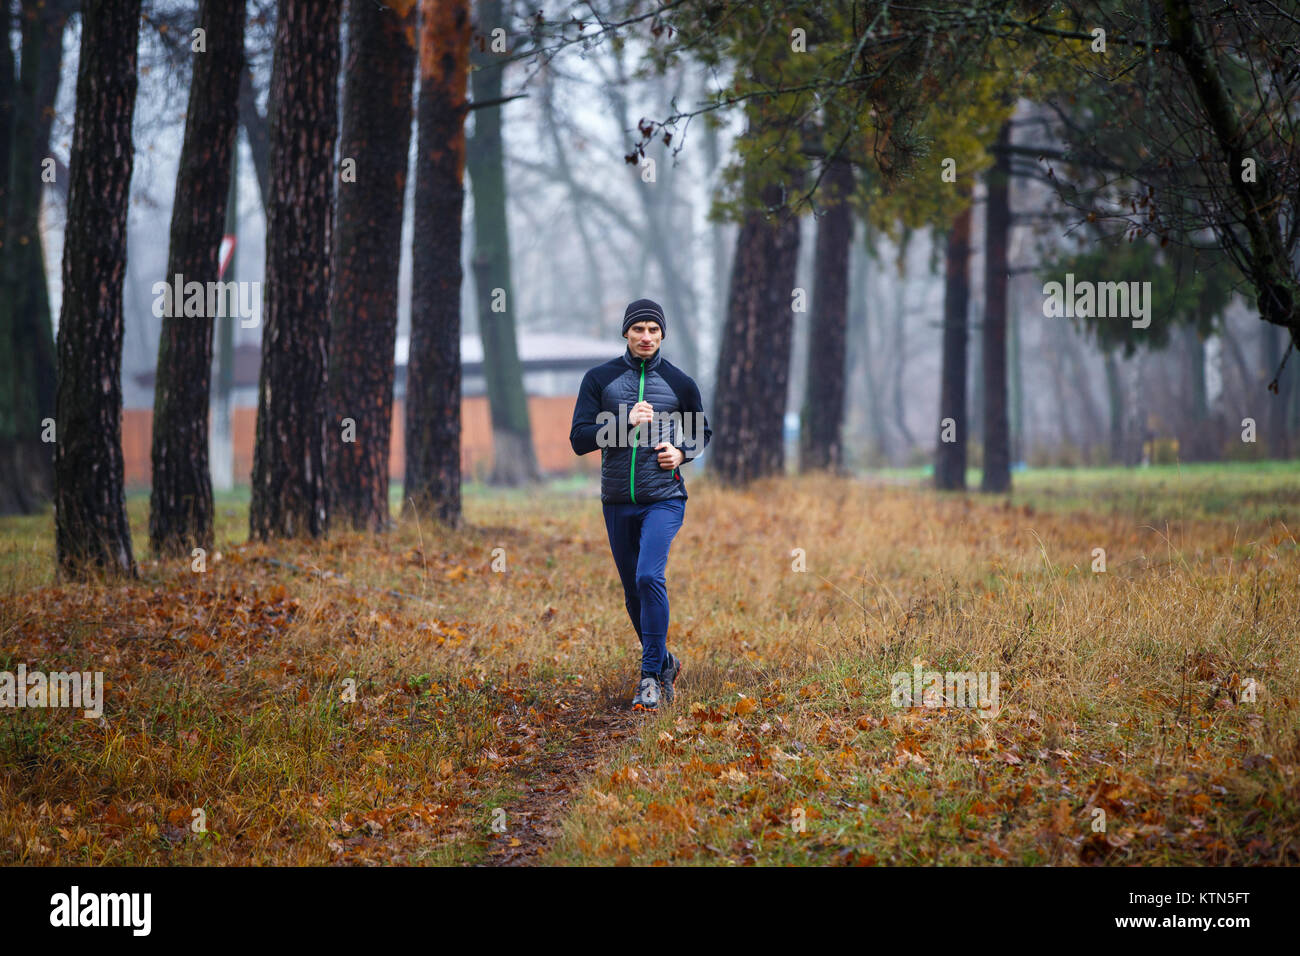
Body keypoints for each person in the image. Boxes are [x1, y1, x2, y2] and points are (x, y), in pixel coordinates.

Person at [569, 299, 712, 712]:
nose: (646, 337)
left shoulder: (681, 383)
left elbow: (701, 432)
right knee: (633, 592)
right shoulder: (600, 379)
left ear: (662, 334)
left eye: (653, 329)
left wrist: (680, 454)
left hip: (664, 499)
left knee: (649, 577)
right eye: (638, 329)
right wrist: (622, 422)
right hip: (617, 501)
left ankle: (650, 677)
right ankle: (665, 660)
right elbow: (579, 438)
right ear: (626, 334)